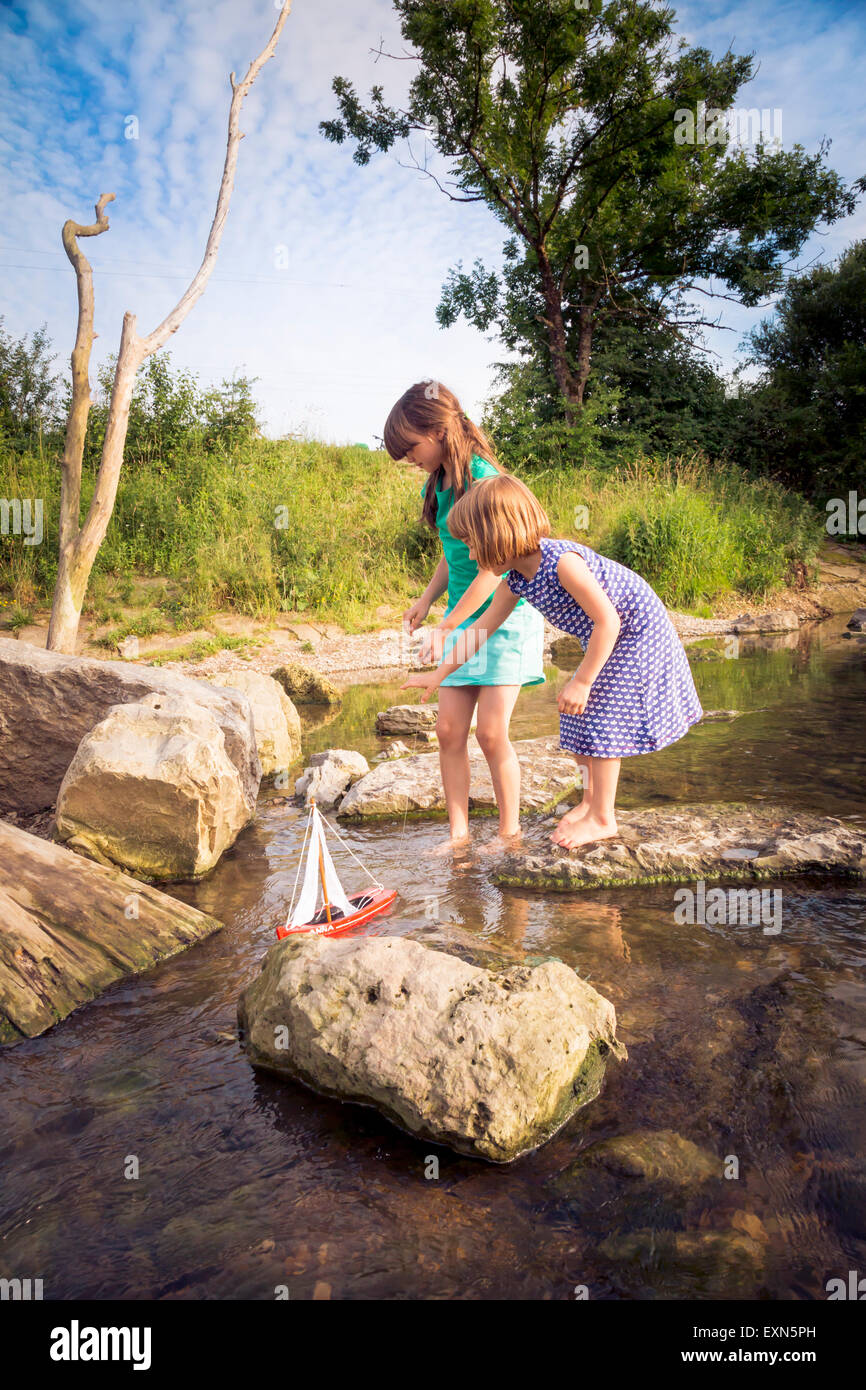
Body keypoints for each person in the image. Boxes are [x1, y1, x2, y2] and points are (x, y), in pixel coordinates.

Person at [401, 473, 703, 850]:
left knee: (602, 715)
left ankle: (603, 817)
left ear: (499, 534)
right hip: (609, 632)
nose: (473, 556)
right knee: (575, 716)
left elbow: (609, 620)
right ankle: (589, 801)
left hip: (635, 632)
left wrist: (583, 680)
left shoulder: (562, 563)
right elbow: (480, 629)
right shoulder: (516, 580)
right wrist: (438, 674)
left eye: (472, 545)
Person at [384, 381, 545, 855]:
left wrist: (448, 624)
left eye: (412, 447)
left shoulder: (482, 477)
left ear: (438, 430)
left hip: (500, 616)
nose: (409, 458)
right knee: (449, 730)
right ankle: (458, 835)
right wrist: (427, 600)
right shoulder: (438, 482)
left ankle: (508, 834)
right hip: (458, 614)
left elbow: (493, 569)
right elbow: (453, 551)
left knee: (492, 733)